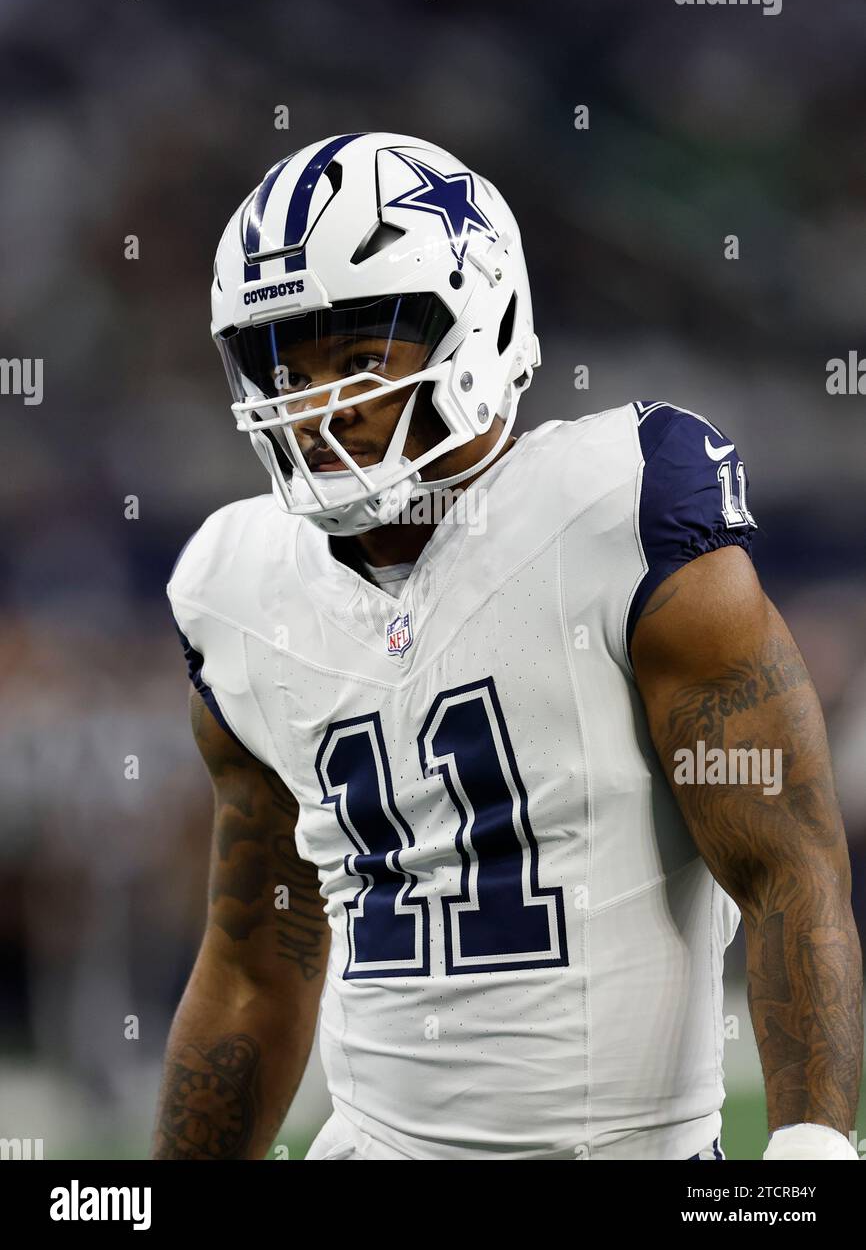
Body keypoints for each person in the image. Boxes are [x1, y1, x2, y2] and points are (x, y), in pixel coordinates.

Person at [151, 132, 861, 1160]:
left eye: (356, 358)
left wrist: (808, 1149)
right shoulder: (238, 590)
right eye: (283, 367)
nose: (313, 410)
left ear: (476, 321)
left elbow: (789, 866)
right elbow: (258, 958)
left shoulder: (620, 512)